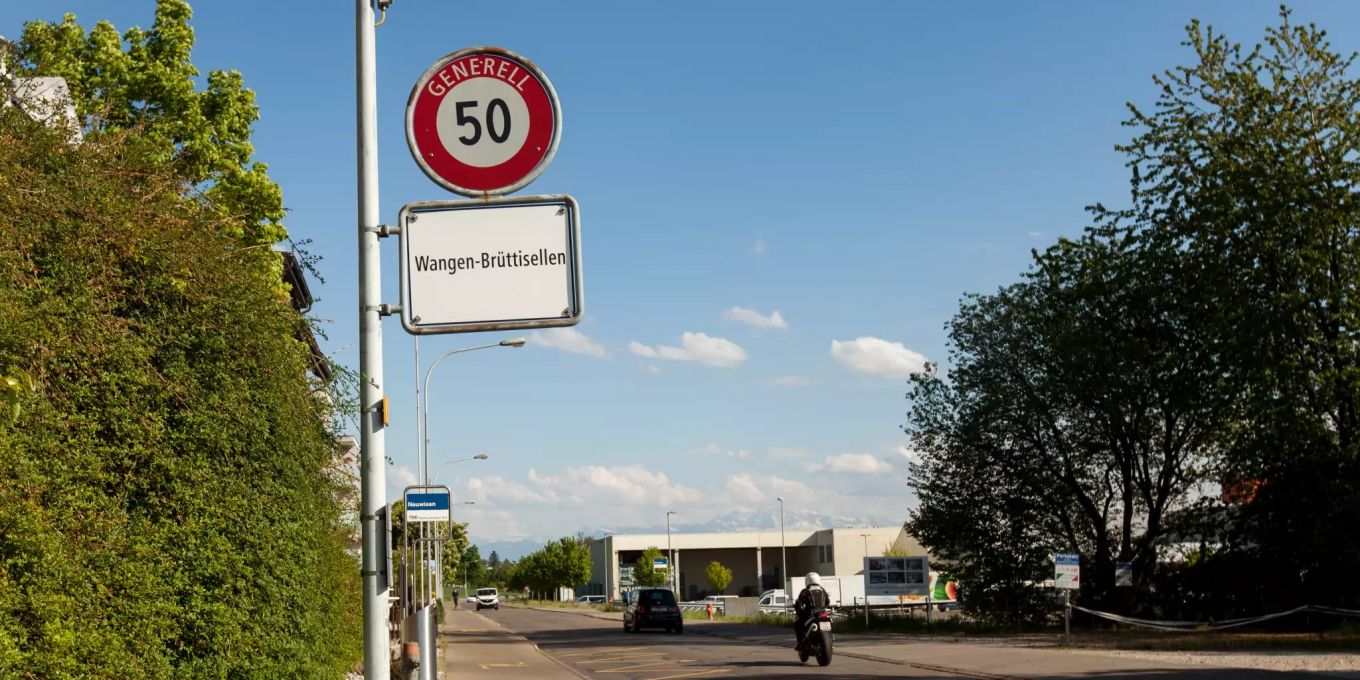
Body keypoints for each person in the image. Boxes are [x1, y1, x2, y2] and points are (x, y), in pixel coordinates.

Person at [793, 572, 830, 650]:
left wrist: (799, 611)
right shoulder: (823, 590)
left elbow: (799, 604)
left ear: (807, 581)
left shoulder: (805, 591)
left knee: (798, 623)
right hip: (823, 613)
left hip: (810, 614)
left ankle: (801, 643)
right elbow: (827, 602)